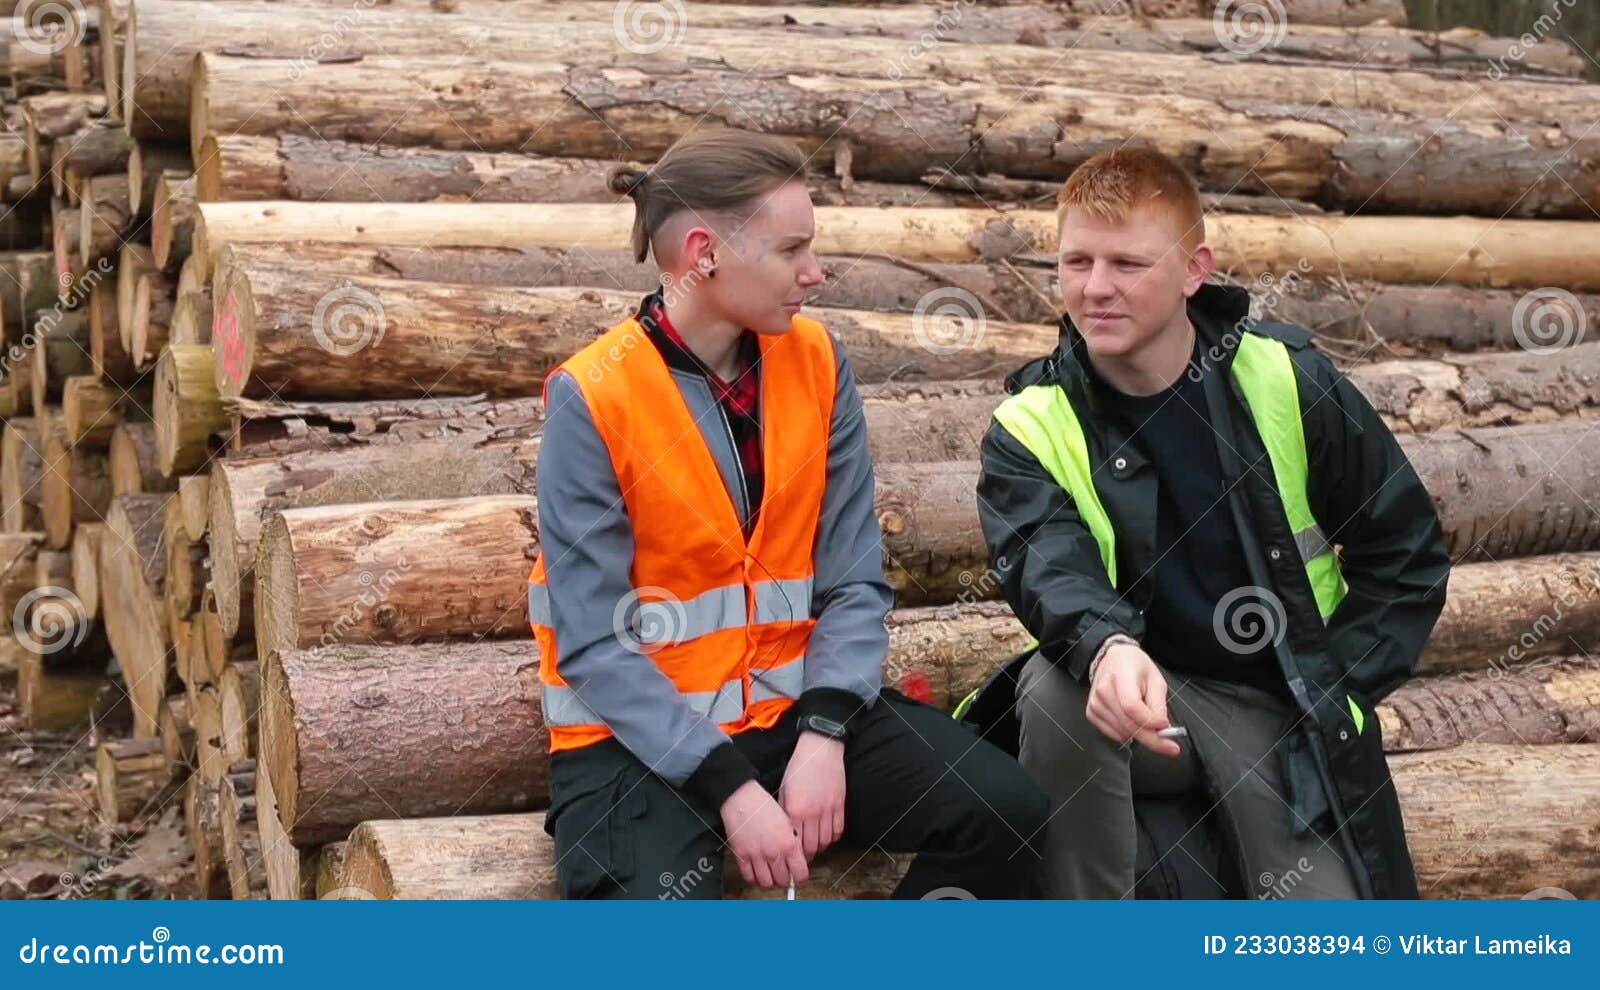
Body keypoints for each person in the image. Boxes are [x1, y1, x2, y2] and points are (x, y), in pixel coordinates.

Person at [527, 128, 1047, 900]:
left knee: (1011, 814)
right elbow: (595, 642)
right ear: (704, 253)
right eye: (791, 249)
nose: (816, 269)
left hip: (798, 717)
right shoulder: (594, 396)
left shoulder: (817, 360)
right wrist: (733, 790)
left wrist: (825, 731)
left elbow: (852, 582)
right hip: (637, 745)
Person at [969, 146, 1449, 899]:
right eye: (1076, 263)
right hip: (1146, 709)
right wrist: (1107, 647)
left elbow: (1406, 552)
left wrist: (1341, 693)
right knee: (1052, 688)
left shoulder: (1288, 380)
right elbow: (1044, 562)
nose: (1096, 288)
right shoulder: (1031, 425)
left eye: (1127, 264)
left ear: (1194, 270)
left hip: (1282, 710)